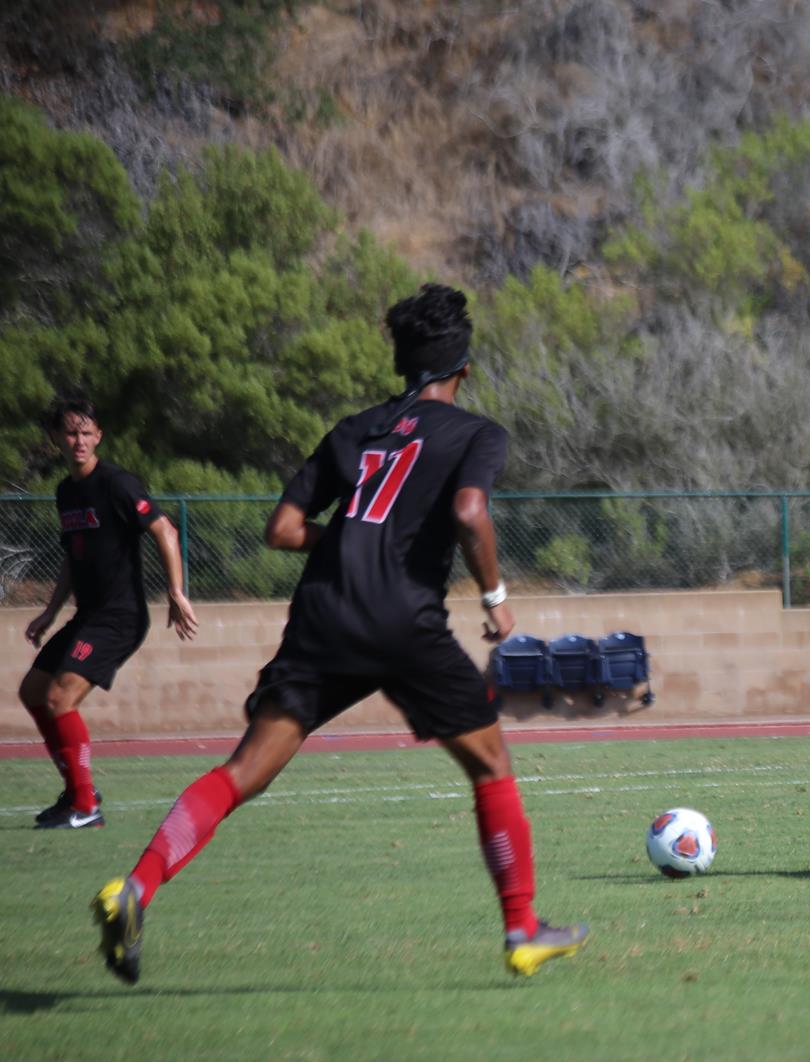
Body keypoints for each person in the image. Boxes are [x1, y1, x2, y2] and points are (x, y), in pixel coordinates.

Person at [88, 284, 586, 984]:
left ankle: (135, 886)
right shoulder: (477, 433)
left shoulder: (354, 428)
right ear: (463, 369)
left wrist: (354, 536)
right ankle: (522, 926)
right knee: (492, 765)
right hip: (404, 619)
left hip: (323, 613)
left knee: (242, 773)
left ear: (400, 364)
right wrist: (496, 596)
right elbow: (471, 511)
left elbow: (283, 529)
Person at [20, 392, 199, 829]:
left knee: (60, 698)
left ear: (99, 436)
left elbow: (165, 530)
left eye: (86, 432)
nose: (78, 440)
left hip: (119, 617)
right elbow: (72, 556)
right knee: (33, 692)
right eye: (70, 432)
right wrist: (50, 611)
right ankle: (76, 792)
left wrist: (176, 592)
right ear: (55, 438)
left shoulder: (118, 484)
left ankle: (86, 806)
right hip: (87, 615)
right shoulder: (66, 492)